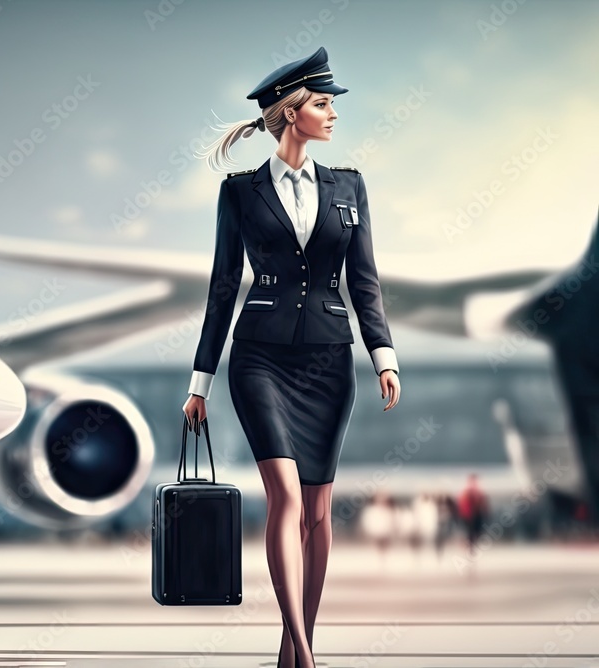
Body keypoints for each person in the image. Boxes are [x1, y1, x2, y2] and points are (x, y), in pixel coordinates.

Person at [181, 47, 401, 668]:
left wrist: (383, 354)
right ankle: (303, 652)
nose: (333, 114)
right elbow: (223, 287)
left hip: (330, 362)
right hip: (260, 362)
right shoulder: (241, 193)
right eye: (323, 104)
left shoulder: (349, 186)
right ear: (290, 112)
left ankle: (291, 645)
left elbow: (365, 281)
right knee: (285, 495)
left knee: (319, 510)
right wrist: (200, 380)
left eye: (332, 104)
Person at [457, 474, 489, 557]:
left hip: (476, 515)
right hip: (468, 516)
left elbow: (483, 504)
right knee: (470, 533)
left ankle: (470, 546)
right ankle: (470, 548)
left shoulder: (478, 492)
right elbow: (462, 505)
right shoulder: (466, 492)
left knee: (476, 532)